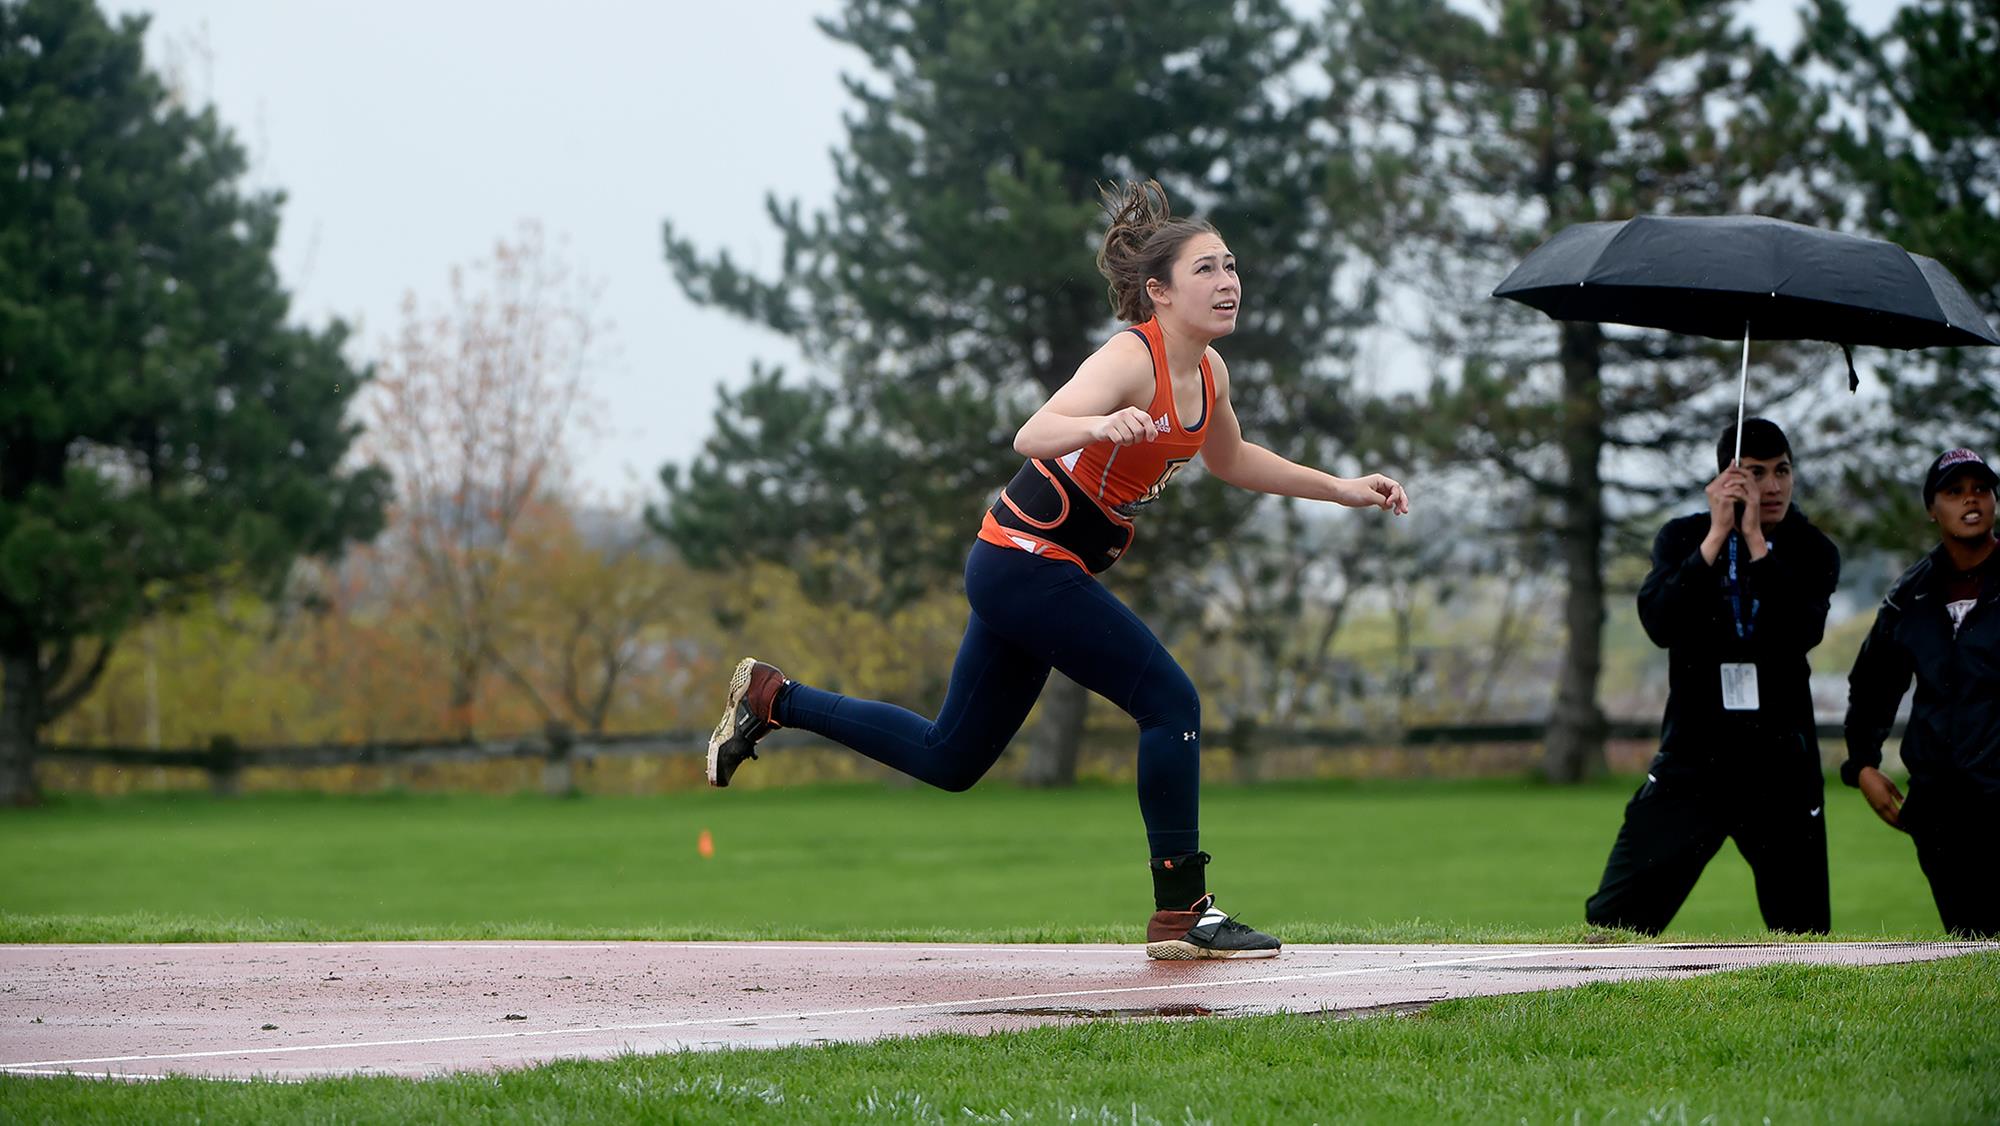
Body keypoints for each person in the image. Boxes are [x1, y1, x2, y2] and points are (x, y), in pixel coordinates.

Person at [703, 180, 1409, 960]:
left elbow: (1233, 458)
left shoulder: (1209, 375)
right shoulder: (1128, 357)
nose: (1228, 281)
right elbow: (1033, 432)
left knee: (951, 758)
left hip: (1030, 567)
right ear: (1159, 292)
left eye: (1231, 266)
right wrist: (1099, 421)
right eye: (1207, 269)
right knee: (1170, 700)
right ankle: (1183, 913)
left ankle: (774, 697)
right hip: (1024, 563)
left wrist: (1342, 488)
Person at [1585, 418, 1841, 936]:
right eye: (1755, 473)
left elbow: (1801, 630)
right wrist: (1718, 535)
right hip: (1695, 757)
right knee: (1615, 921)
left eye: (1782, 471)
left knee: (1805, 934)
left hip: (1781, 762)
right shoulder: (1682, 536)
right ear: (1727, 477)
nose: (1771, 486)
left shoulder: (1812, 549)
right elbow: (1659, 620)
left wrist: (1753, 540)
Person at [1842, 447, 2000, 939]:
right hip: (1940, 811)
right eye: (1953, 492)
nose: (1970, 501)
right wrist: (1863, 764)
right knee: (1970, 947)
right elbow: (1872, 685)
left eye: (1980, 489)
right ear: (1932, 509)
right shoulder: (1910, 595)